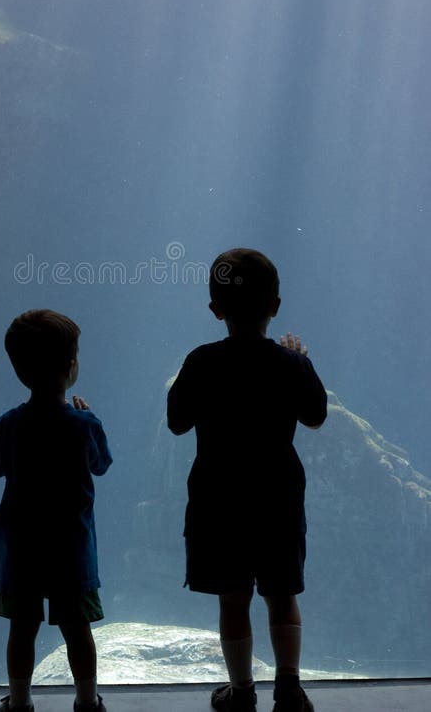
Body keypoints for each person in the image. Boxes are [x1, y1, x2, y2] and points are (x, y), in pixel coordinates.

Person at [167, 248, 327, 712]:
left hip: (219, 499)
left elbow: (177, 422)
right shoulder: (290, 363)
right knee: (282, 593)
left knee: (233, 598)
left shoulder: (202, 361)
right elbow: (315, 417)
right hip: (278, 496)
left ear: (215, 310)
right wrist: (303, 360)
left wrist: (195, 376)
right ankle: (290, 688)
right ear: (276, 306)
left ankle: (240, 692)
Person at [0, 309, 112, 712]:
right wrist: (89, 419)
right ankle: (86, 702)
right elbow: (101, 464)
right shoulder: (83, 425)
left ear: (19, 370)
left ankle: (20, 702)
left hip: (22, 550)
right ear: (70, 367)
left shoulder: (10, 425)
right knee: (77, 629)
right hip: (71, 548)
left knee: (22, 629)